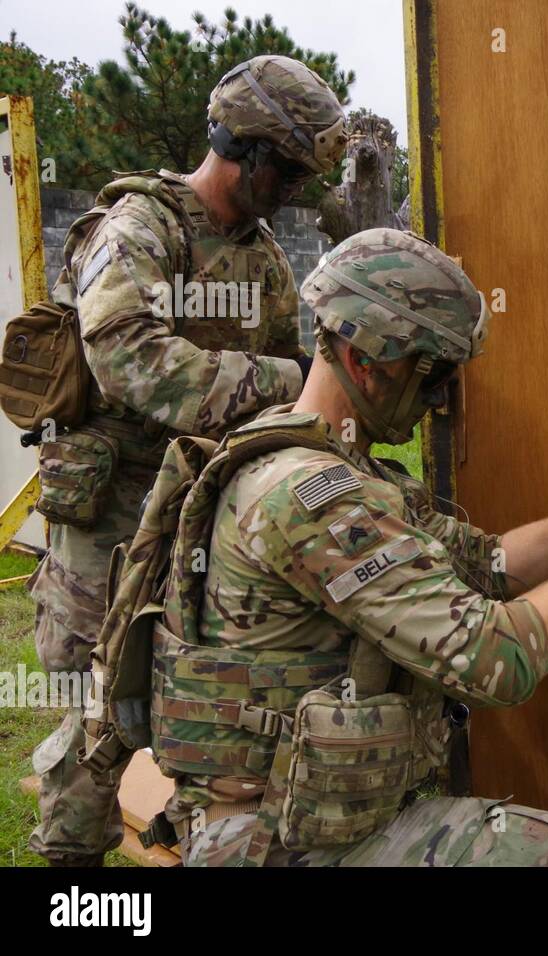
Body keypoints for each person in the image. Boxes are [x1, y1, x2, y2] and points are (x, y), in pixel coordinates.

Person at [150, 227, 548, 866]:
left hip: (316, 816)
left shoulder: (340, 468)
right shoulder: (309, 498)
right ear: (363, 362)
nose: (441, 401)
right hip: (275, 844)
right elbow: (496, 660)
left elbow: (491, 564)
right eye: (433, 376)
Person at [28, 54, 348, 866]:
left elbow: (294, 393)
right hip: (116, 515)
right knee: (97, 710)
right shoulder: (141, 227)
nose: (295, 190)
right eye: (289, 171)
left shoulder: (265, 256)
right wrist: (283, 379)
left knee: (208, 692)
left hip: (204, 513)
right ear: (248, 150)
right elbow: (128, 359)